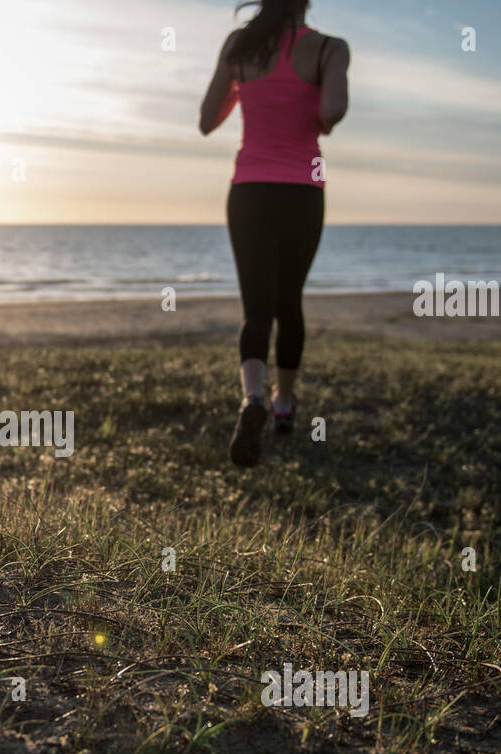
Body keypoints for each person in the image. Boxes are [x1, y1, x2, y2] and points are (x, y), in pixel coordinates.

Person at [199, 0, 350, 466]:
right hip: (301, 192)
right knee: (289, 301)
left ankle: (253, 398)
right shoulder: (329, 49)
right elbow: (332, 112)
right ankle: (285, 404)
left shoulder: (238, 45)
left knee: (256, 306)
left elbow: (207, 121)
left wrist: (246, 88)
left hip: (248, 191)